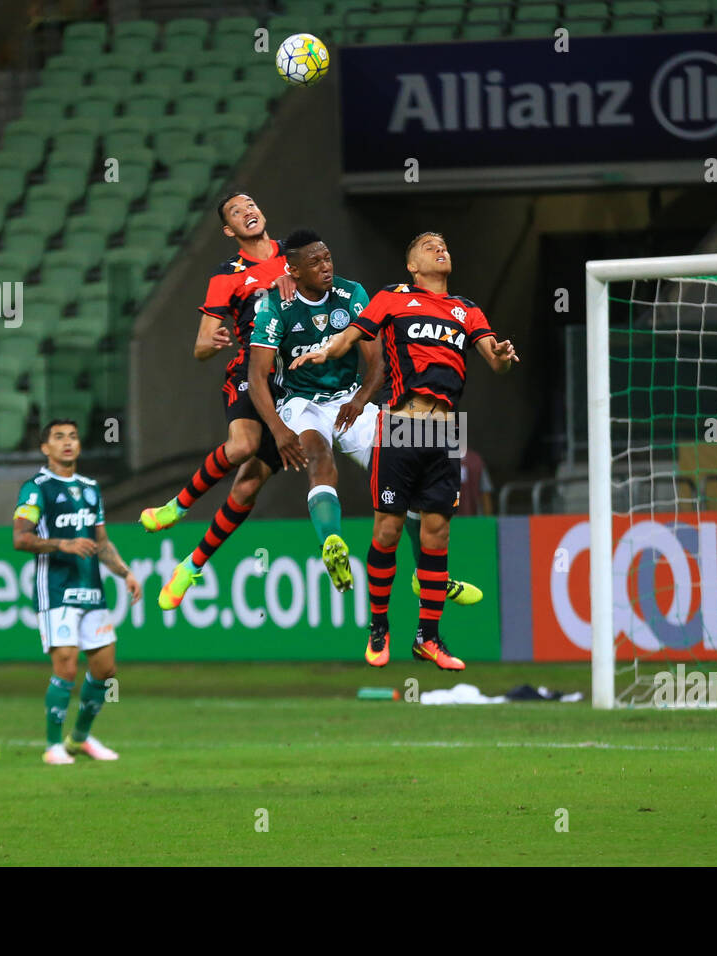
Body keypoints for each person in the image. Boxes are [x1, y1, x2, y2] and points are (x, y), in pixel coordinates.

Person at [292, 231, 518, 670]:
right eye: (429, 244)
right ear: (412, 265)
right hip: (399, 426)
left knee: (437, 535)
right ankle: (379, 627)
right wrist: (324, 351)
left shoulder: (466, 309)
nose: (441, 246)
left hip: (445, 432)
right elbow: (351, 336)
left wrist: (506, 355)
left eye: (445, 243)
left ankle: (428, 638)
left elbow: (496, 361)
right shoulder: (392, 299)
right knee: (388, 532)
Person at [140, 190, 289, 609]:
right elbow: (201, 345)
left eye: (252, 205)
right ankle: (176, 507)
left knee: (247, 487)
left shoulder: (294, 256)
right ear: (229, 230)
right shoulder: (227, 274)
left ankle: (190, 566)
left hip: (294, 379)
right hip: (249, 369)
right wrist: (214, 340)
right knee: (241, 446)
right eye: (237, 212)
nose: (248, 212)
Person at [246, 228, 382, 591]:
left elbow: (378, 363)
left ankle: (425, 575)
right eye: (315, 262)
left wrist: (359, 400)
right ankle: (332, 543)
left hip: (350, 400)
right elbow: (256, 376)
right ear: (294, 270)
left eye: (327, 258)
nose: (326, 267)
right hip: (301, 403)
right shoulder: (275, 305)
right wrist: (278, 430)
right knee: (320, 459)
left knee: (398, 471)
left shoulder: (352, 294)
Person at [13, 419, 142, 765]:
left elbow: (101, 543)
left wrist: (125, 573)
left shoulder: (90, 488)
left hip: (91, 590)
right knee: (67, 666)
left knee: (105, 668)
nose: (67, 442)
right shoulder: (36, 488)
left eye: (72, 436)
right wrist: (62, 544)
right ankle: (53, 745)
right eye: (58, 437)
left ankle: (80, 738)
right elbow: (20, 538)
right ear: (45, 448)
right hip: (56, 589)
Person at [457, 447, 495, 516]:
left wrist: (488, 518)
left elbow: (485, 493)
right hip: (448, 517)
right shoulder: (441, 458)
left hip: (474, 516)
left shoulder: (475, 460)